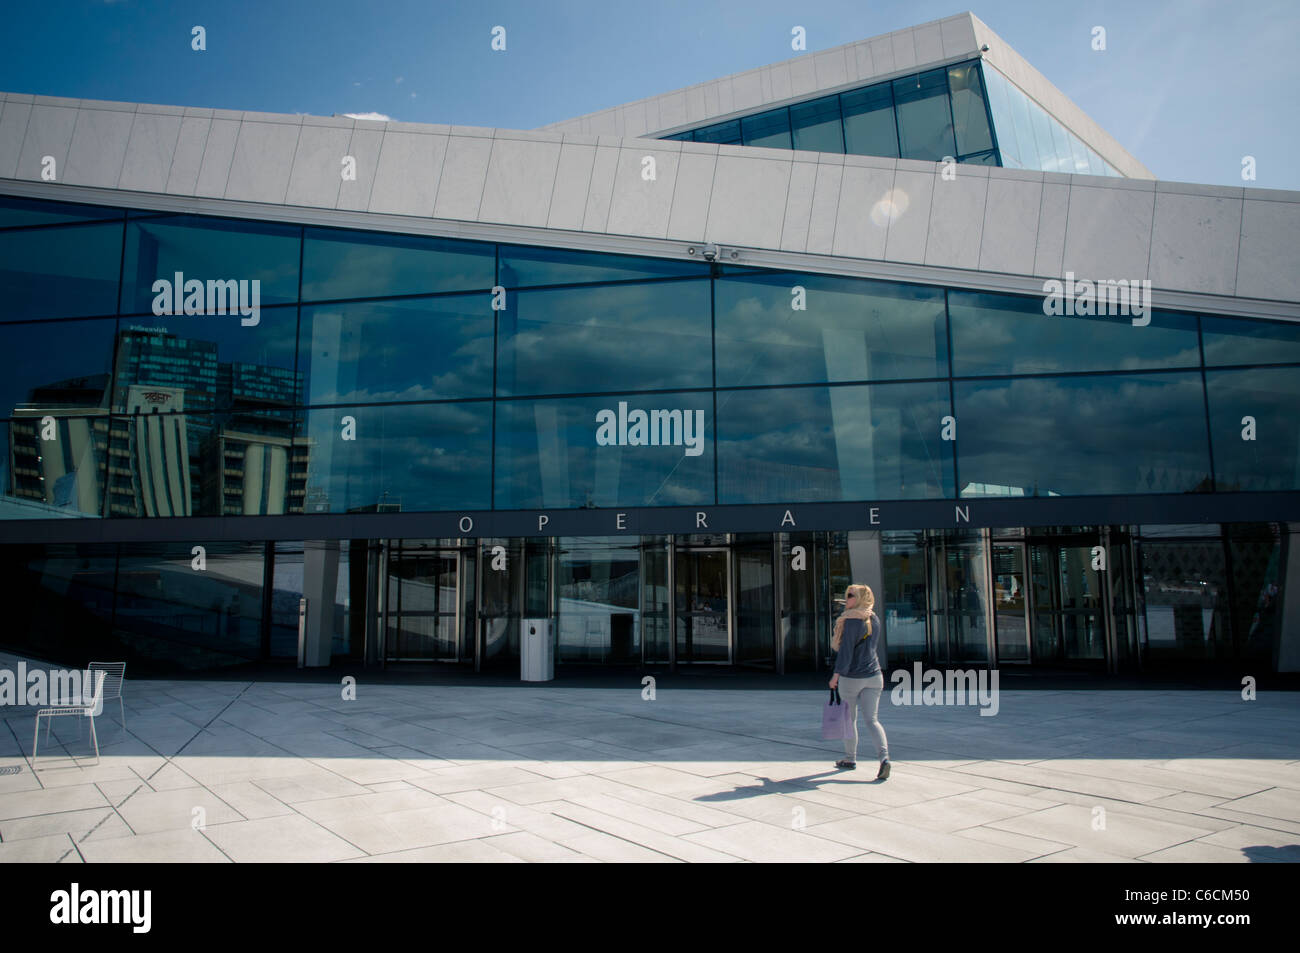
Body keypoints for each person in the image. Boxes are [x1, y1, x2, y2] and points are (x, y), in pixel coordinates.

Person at [828, 583, 890, 779]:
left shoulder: (851, 621)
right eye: (847, 595)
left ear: (861, 598)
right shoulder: (874, 618)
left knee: (849, 719)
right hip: (874, 676)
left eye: (851, 595)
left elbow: (846, 652)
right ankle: (884, 759)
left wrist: (836, 675)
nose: (847, 599)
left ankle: (850, 758)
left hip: (852, 677)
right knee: (872, 720)